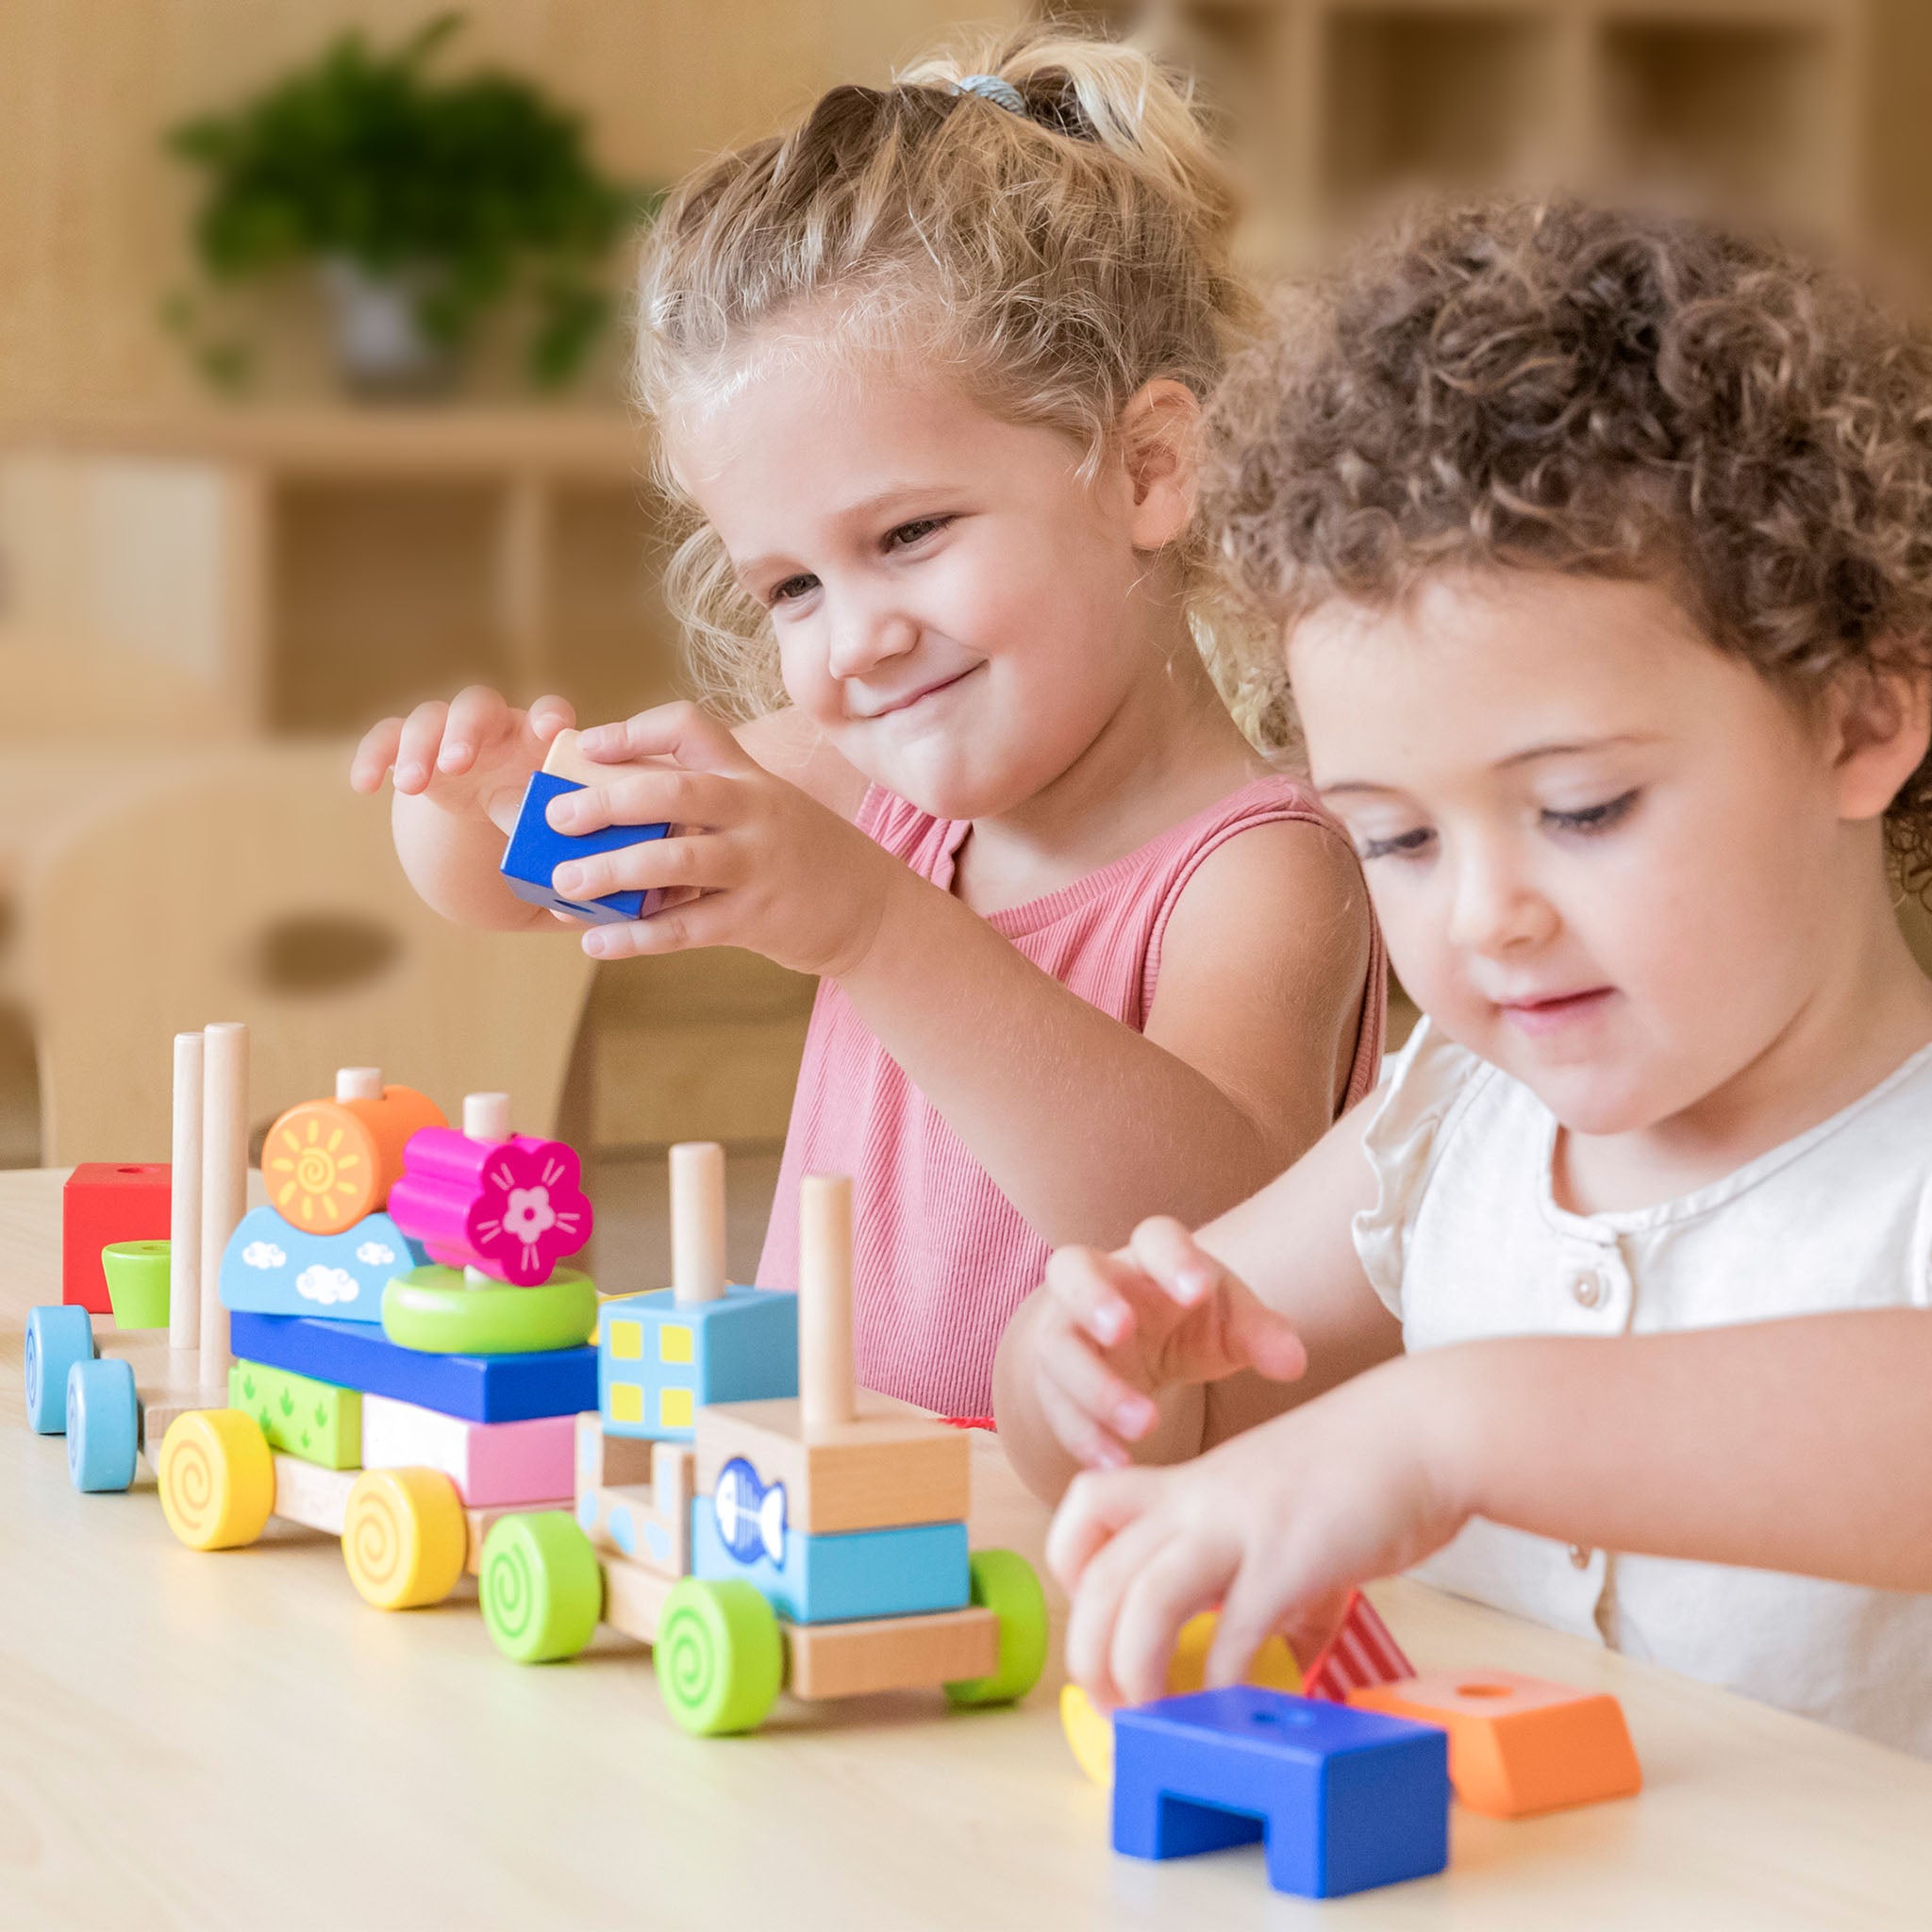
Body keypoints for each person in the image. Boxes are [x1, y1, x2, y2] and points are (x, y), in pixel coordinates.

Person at [349, 27, 1381, 1421]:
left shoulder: (1261, 869)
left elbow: (1216, 1232)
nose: (859, 635)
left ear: (1148, 469)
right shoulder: (864, 774)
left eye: (910, 533)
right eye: (792, 586)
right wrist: (471, 800)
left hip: (1116, 1597)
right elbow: (518, 887)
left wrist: (875, 926)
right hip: (823, 1531)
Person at [1021, 197, 1932, 1756]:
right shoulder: (1459, 1117)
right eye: (1398, 841)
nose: (1489, 917)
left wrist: (1449, 1427)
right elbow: (1187, 1414)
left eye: (1582, 810)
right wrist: (1093, 1372)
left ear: (1855, 724)